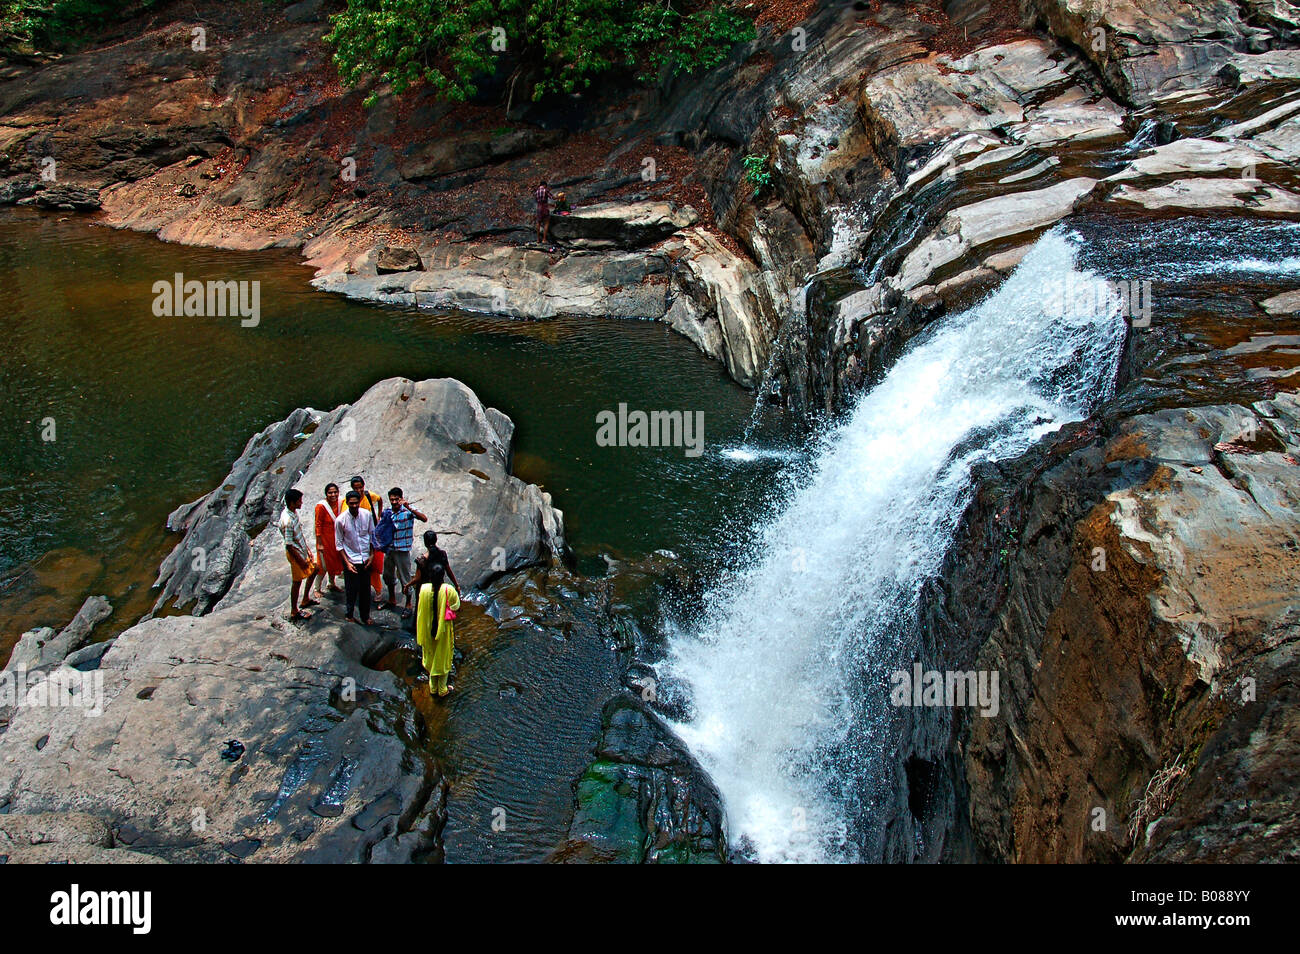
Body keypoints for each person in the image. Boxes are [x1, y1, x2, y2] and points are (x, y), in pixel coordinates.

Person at [415, 562, 460, 696]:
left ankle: (432, 687)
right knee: (443, 656)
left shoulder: (424, 589)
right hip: (443, 629)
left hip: (427, 628)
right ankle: (442, 689)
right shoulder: (448, 589)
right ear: (443, 576)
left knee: (431, 654)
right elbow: (455, 606)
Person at [383, 487, 427, 617]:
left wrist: (408, 507)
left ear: (401, 499)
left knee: (405, 577)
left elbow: (424, 518)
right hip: (390, 549)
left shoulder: (408, 511)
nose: (395, 502)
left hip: (402, 550)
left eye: (397, 499)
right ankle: (392, 599)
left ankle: (408, 604)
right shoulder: (387, 512)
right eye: (392, 500)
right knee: (388, 575)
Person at [278, 489, 320, 620]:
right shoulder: (288, 521)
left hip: (301, 550)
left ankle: (305, 599)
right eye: (299, 501)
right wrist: (301, 560)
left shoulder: (292, 512)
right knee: (296, 582)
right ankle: (294, 611)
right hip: (296, 554)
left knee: (315, 569)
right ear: (292, 503)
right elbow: (289, 545)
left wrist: (306, 549)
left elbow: (298, 534)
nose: (301, 503)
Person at [335, 489, 376, 624]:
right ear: (347, 503)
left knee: (365, 589)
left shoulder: (367, 515)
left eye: (356, 503)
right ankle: (349, 614)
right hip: (351, 559)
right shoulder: (340, 520)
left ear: (359, 502)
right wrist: (347, 563)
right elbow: (339, 544)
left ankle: (365, 616)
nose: (354, 506)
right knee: (351, 589)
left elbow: (372, 536)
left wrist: (371, 555)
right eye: (351, 503)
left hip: (365, 558)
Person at [349, 475, 386, 600]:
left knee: (374, 564)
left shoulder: (368, 495)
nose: (359, 490)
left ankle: (378, 590)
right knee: (361, 564)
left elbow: (380, 499)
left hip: (371, 534)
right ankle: (362, 589)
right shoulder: (351, 501)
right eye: (356, 488)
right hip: (357, 538)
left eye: (361, 487)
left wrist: (379, 515)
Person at [313, 482, 345, 595]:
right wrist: (319, 543)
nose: (333, 495)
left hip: (336, 538)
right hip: (325, 540)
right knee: (323, 564)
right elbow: (318, 525)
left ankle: (331, 583)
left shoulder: (341, 502)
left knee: (334, 561)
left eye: (335, 492)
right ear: (326, 494)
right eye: (330, 492)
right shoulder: (321, 506)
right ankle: (317, 588)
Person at [533, 178, 553, 244]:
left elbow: (536, 200)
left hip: (539, 208)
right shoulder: (545, 190)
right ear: (544, 185)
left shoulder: (536, 192)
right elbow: (552, 197)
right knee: (546, 222)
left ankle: (538, 239)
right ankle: (544, 239)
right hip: (544, 207)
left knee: (538, 223)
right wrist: (559, 197)